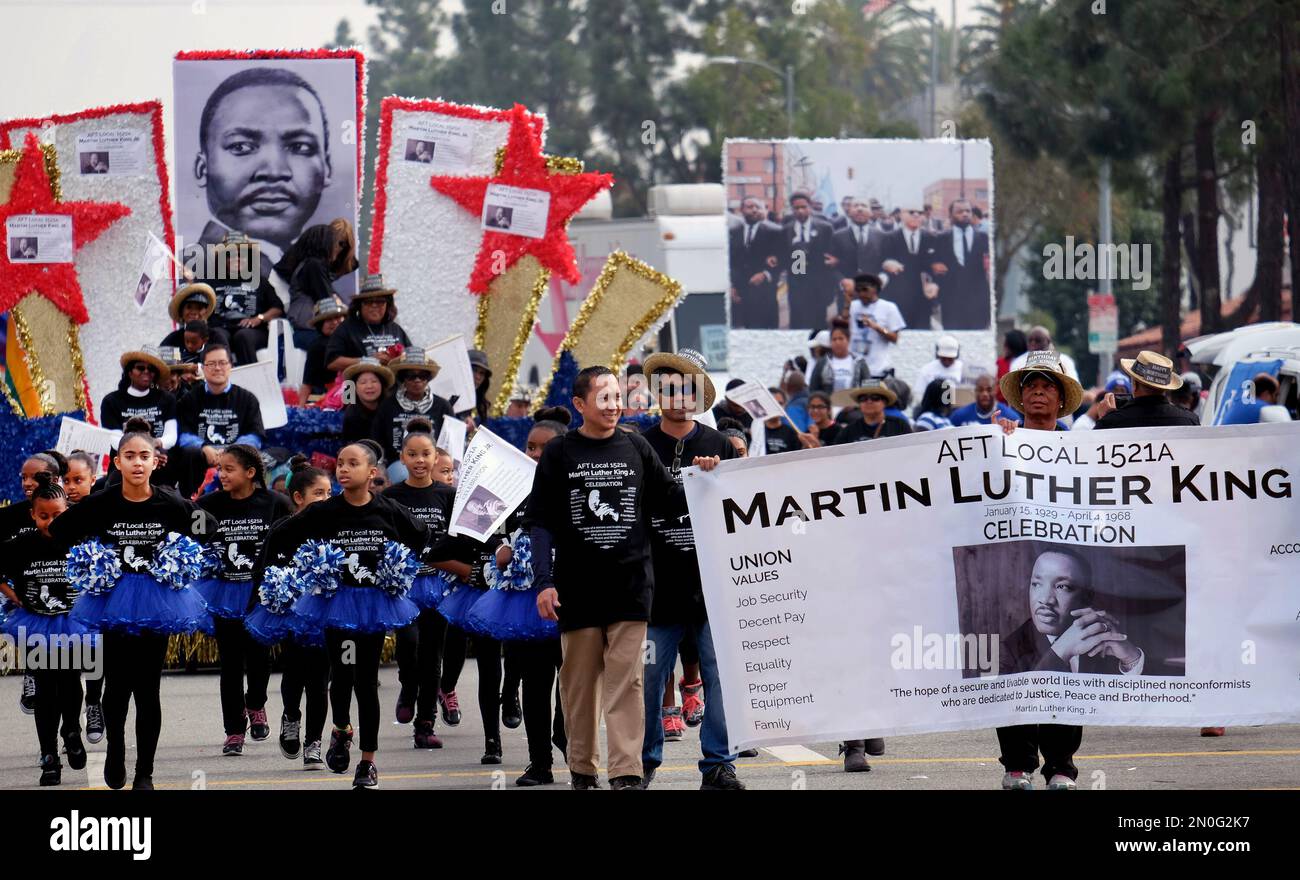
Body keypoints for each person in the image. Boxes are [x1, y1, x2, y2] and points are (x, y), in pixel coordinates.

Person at [526, 365, 721, 790]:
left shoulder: (635, 446)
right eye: (604, 398)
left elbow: (670, 498)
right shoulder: (560, 452)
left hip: (631, 586)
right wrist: (544, 582)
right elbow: (539, 521)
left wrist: (704, 474)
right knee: (578, 687)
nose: (614, 405)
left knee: (628, 683)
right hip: (576, 589)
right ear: (580, 405)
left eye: (618, 397)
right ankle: (582, 766)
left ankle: (626, 772)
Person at [53, 418, 214, 790]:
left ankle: (145, 772)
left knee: (148, 689)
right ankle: (115, 751)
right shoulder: (102, 502)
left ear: (156, 461)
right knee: (117, 687)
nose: (138, 462)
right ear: (118, 461)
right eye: (130, 456)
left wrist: (179, 556)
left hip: (157, 603)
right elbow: (61, 531)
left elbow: (209, 526)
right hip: (112, 602)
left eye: (145, 455)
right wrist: (92, 558)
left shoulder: (170, 502)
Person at [272, 440, 429, 788]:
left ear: (371, 472)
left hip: (372, 608)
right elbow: (281, 535)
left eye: (352, 463)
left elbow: (421, 535)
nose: (343, 469)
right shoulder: (324, 511)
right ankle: (342, 729)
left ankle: (368, 762)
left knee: (366, 682)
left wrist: (397, 569)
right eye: (340, 463)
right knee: (341, 678)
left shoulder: (388, 510)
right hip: (336, 604)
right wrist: (298, 569)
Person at [638, 349, 744, 790]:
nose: (677, 395)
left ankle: (719, 763)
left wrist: (721, 473)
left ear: (698, 395)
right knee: (646, 678)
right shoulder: (637, 444)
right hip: (656, 589)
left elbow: (742, 510)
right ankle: (641, 762)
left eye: (686, 387)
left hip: (712, 586)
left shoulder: (718, 445)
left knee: (723, 678)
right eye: (668, 386)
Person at [991, 349, 1085, 790]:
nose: (1038, 392)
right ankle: (1016, 765)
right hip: (1015, 581)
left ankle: (1061, 767)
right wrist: (998, 443)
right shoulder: (1000, 442)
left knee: (1066, 675)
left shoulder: (1082, 450)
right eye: (1031, 385)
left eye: (1048, 385)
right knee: (1014, 672)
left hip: (1064, 580)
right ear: (1020, 397)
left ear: (1062, 398)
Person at [195, 444, 293, 756]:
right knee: (231, 663)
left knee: (260, 657)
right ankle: (234, 730)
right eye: (219, 469)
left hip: (260, 592)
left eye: (228, 469)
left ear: (250, 473)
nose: (221, 474)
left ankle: (256, 703)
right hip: (224, 593)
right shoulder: (209, 504)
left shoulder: (275, 503)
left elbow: (291, 538)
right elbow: (193, 536)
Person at [187, 66, 333, 265]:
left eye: (299, 146)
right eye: (241, 147)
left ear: (327, 168)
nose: (274, 172)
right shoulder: (194, 276)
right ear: (202, 169)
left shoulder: (310, 270)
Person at [0, 473, 92, 785]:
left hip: (72, 623)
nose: (50, 522)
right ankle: (48, 755)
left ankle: (72, 731)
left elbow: (97, 571)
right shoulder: (21, 545)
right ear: (32, 515)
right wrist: (14, 597)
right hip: (36, 623)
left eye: (57, 515)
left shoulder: (78, 540)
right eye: (43, 516)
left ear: (68, 511)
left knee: (69, 682)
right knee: (44, 688)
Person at [384, 418, 466, 751]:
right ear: (402, 458)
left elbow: (459, 536)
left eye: (426, 454)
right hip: (405, 584)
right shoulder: (391, 496)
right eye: (412, 454)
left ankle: (425, 724)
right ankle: (407, 685)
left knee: (433, 653)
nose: (419, 460)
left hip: (439, 583)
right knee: (408, 643)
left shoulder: (448, 494)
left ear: (436, 459)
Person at [246, 456, 333, 767]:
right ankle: (291, 716)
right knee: (295, 671)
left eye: (329, 493)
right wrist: (261, 603)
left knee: (321, 679)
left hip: (326, 613)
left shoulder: (335, 527)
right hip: (291, 614)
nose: (326, 500)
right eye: (318, 494)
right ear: (299, 498)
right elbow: (265, 570)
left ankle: (314, 742)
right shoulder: (282, 529)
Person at [176, 343, 266, 496]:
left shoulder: (247, 399)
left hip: (237, 452)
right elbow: (183, 433)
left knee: (249, 456)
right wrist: (204, 447)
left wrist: (232, 452)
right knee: (189, 453)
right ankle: (190, 503)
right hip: (203, 455)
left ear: (230, 366)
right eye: (211, 364)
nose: (217, 368)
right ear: (203, 368)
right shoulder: (189, 399)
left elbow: (255, 435)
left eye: (222, 363)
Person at [199, 231, 286, 365]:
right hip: (221, 328)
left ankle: (251, 381)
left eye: (242, 255)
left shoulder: (259, 281)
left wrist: (259, 318)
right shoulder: (211, 282)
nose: (237, 259)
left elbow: (277, 308)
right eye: (231, 255)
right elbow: (199, 308)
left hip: (252, 331)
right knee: (218, 335)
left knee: (243, 336)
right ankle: (223, 379)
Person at [276, 219, 358, 350]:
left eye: (343, 243)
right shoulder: (314, 266)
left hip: (308, 329)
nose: (338, 246)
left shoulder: (313, 265)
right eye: (336, 241)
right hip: (308, 330)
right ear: (326, 241)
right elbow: (328, 303)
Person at [372, 348, 455, 472]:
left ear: (428, 379)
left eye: (422, 376)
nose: (417, 380)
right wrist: (379, 467)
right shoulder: (387, 405)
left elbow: (452, 442)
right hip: (398, 464)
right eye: (411, 376)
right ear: (403, 378)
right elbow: (377, 440)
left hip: (434, 465)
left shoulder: (443, 406)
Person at [100, 346, 179, 457]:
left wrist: (156, 446)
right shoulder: (111, 401)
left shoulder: (167, 399)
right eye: (140, 368)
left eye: (151, 369)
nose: (146, 372)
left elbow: (171, 436)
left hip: (160, 456)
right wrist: (146, 453)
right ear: (130, 372)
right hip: (125, 460)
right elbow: (115, 440)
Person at [326, 274, 412, 373]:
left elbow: (410, 357)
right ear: (359, 305)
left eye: (380, 301)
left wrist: (398, 358)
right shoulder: (347, 328)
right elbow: (332, 362)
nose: (374, 305)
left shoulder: (395, 328)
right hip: (356, 386)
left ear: (387, 305)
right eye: (368, 301)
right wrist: (367, 361)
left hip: (394, 386)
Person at [1093, 351, 1200, 430]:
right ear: (1166, 387)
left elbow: (1097, 453)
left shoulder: (1111, 423)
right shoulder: (1189, 421)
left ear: (1134, 384)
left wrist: (1105, 420)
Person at [929, 199, 992, 330]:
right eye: (959, 211)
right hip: (951, 301)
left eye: (968, 211)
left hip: (978, 301)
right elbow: (934, 265)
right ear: (951, 215)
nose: (964, 214)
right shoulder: (941, 239)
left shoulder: (983, 238)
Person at [781, 190, 839, 329]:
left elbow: (832, 253)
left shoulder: (825, 228)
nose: (800, 211)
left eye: (803, 207)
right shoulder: (786, 230)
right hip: (796, 282)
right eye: (796, 208)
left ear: (810, 207)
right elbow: (783, 255)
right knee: (797, 318)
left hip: (818, 282)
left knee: (818, 320)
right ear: (792, 209)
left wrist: (834, 262)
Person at [728, 197, 783, 329]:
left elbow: (782, 259)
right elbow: (731, 262)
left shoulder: (774, 231)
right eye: (750, 207)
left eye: (757, 207)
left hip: (765, 293)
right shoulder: (733, 232)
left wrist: (765, 274)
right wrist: (731, 285)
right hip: (742, 293)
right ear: (741, 210)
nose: (754, 210)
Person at [881, 206, 938, 330]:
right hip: (897, 298)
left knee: (921, 337)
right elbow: (880, 264)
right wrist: (886, 264)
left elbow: (934, 267)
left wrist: (934, 283)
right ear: (901, 215)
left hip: (923, 299)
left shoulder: (931, 238)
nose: (916, 215)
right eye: (911, 212)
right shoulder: (889, 238)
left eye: (920, 212)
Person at [848, 274, 905, 377]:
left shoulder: (888, 307)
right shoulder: (853, 306)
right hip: (853, 369)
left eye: (865, 290)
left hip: (877, 369)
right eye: (858, 290)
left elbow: (895, 338)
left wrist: (876, 327)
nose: (861, 294)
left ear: (875, 288)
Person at [299, 296, 348, 403]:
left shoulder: (352, 339)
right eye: (329, 320)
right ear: (320, 325)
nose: (335, 322)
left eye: (338, 317)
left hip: (354, 390)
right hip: (328, 396)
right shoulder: (317, 346)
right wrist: (300, 409)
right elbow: (307, 381)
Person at [161, 282, 232, 354]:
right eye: (189, 307)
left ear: (205, 312)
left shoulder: (216, 338)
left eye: (199, 308)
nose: (194, 312)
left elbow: (224, 362)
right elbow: (161, 362)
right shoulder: (173, 340)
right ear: (181, 312)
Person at [832, 380, 912, 443]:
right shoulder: (848, 431)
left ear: (885, 402)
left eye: (875, 398)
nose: (869, 401)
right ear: (859, 404)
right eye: (863, 398)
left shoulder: (900, 425)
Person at [808, 318, 871, 396]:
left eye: (841, 339)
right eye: (834, 339)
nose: (837, 342)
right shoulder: (822, 363)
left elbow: (868, 387)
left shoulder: (860, 363)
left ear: (848, 340)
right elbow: (813, 389)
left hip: (854, 406)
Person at [340, 357, 394, 444]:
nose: (369, 386)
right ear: (355, 388)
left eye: (374, 381)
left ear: (382, 385)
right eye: (363, 382)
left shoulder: (391, 409)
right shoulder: (351, 413)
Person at [831, 198, 885, 280]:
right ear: (849, 212)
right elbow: (831, 266)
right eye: (855, 206)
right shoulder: (837, 236)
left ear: (871, 212)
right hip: (847, 289)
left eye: (864, 206)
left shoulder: (881, 236)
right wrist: (842, 281)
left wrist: (880, 280)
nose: (860, 209)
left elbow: (886, 262)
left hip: (874, 287)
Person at [1007, 326, 1080, 382]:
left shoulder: (1064, 360)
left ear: (1048, 341)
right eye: (1030, 340)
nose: (1033, 343)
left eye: (1038, 340)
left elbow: (1073, 383)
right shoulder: (1018, 362)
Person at [950, 374, 1019, 427]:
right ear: (975, 391)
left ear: (995, 390)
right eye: (980, 390)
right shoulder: (959, 416)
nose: (985, 394)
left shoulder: (1011, 417)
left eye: (989, 390)